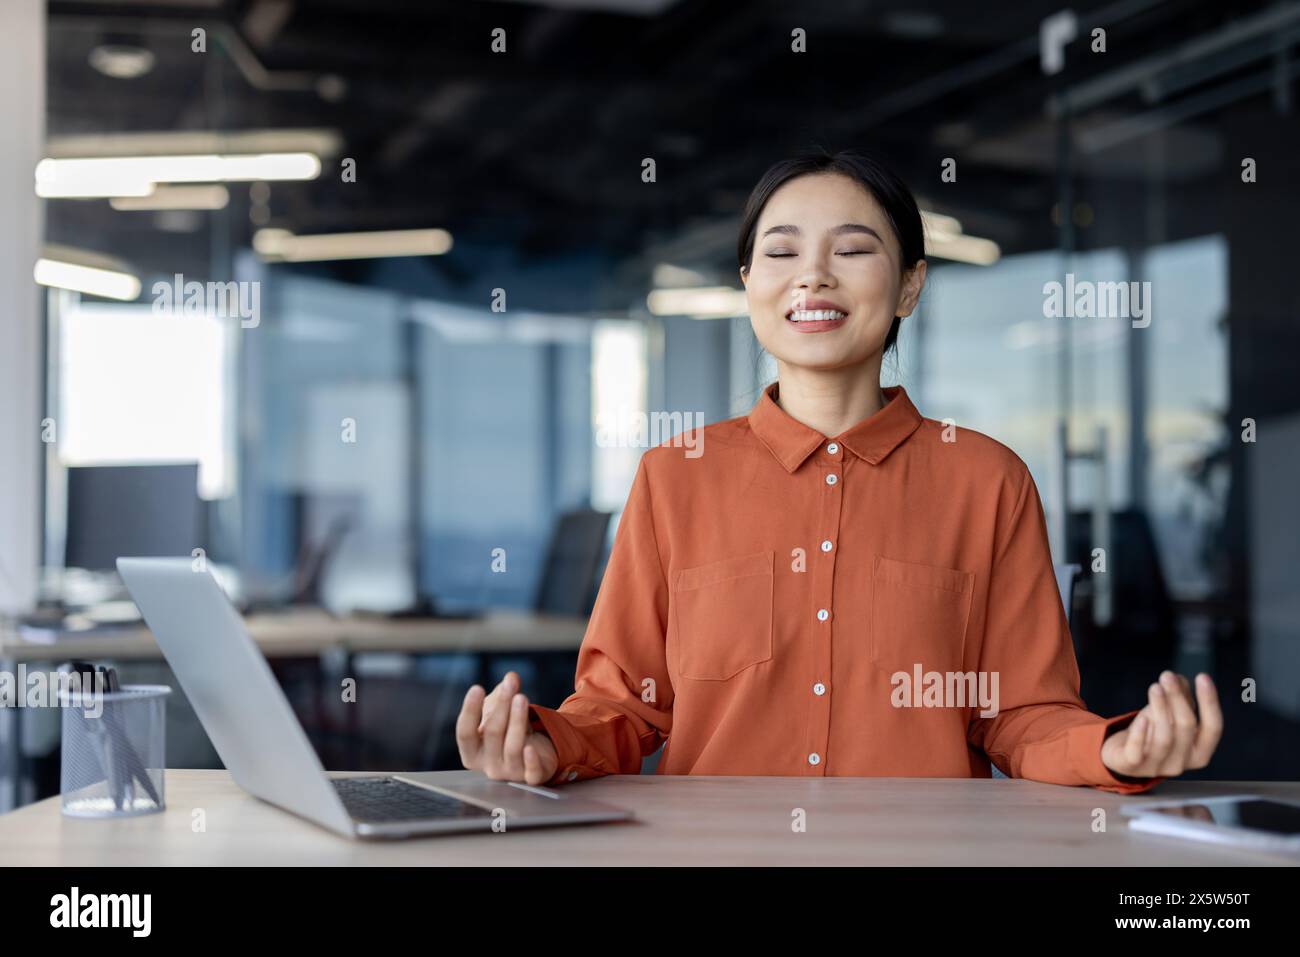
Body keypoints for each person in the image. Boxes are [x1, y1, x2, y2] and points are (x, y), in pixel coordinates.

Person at [456, 148, 1222, 793]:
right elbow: (623, 710)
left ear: (910, 286)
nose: (813, 277)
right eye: (782, 253)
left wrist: (1112, 751)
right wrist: (546, 744)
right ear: (749, 283)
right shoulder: (674, 476)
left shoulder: (988, 480)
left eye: (852, 250)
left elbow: (1019, 713)